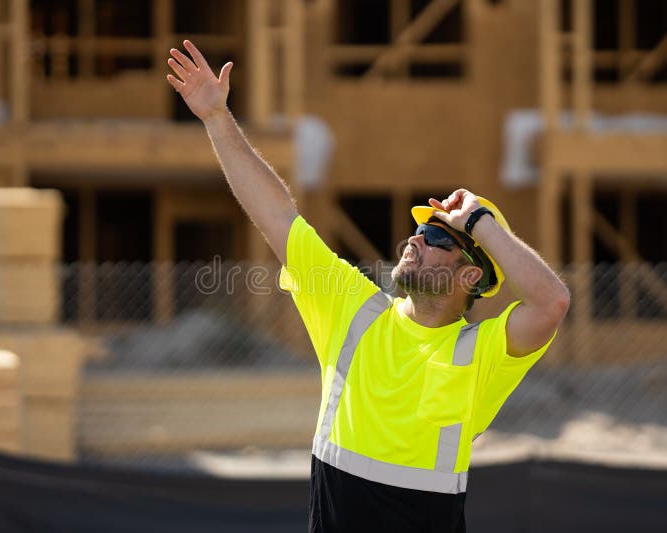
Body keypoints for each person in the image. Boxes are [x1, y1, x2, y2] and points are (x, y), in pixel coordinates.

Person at [167, 40, 570, 533]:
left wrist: (479, 223)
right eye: (420, 229)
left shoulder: (480, 352)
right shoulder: (353, 308)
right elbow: (276, 214)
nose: (416, 239)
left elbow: (551, 302)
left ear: (470, 275)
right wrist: (216, 118)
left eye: (439, 236)